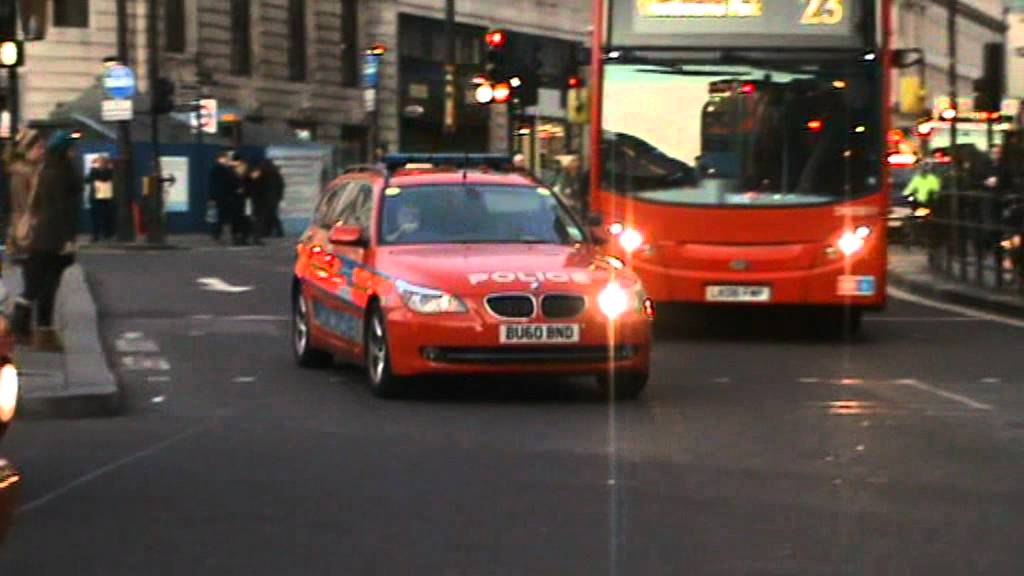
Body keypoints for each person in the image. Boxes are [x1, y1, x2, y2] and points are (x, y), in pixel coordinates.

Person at [10, 131, 82, 351]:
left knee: (41, 285)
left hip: (43, 236)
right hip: (49, 238)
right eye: (70, 149)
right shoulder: (56, 173)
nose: (74, 152)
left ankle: (34, 330)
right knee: (41, 285)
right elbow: (59, 210)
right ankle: (31, 329)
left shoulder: (46, 171)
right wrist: (67, 239)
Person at [4, 128, 45, 262]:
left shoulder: (31, 171)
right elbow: (24, 205)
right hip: (27, 235)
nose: (42, 151)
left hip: (29, 232)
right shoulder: (22, 174)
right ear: (26, 149)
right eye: (38, 147)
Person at [209, 150, 241, 243]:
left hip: (223, 196)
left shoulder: (222, 169)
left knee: (221, 217)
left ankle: (219, 234)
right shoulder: (221, 170)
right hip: (224, 197)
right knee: (222, 217)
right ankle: (219, 234)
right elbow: (229, 182)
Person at [85, 155, 115, 242]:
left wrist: (94, 168)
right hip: (97, 196)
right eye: (99, 161)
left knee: (105, 216)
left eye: (102, 162)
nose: (101, 163)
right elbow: (87, 180)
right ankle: (97, 234)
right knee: (96, 217)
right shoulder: (96, 171)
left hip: (103, 196)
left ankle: (104, 234)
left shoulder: (106, 171)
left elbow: (101, 178)